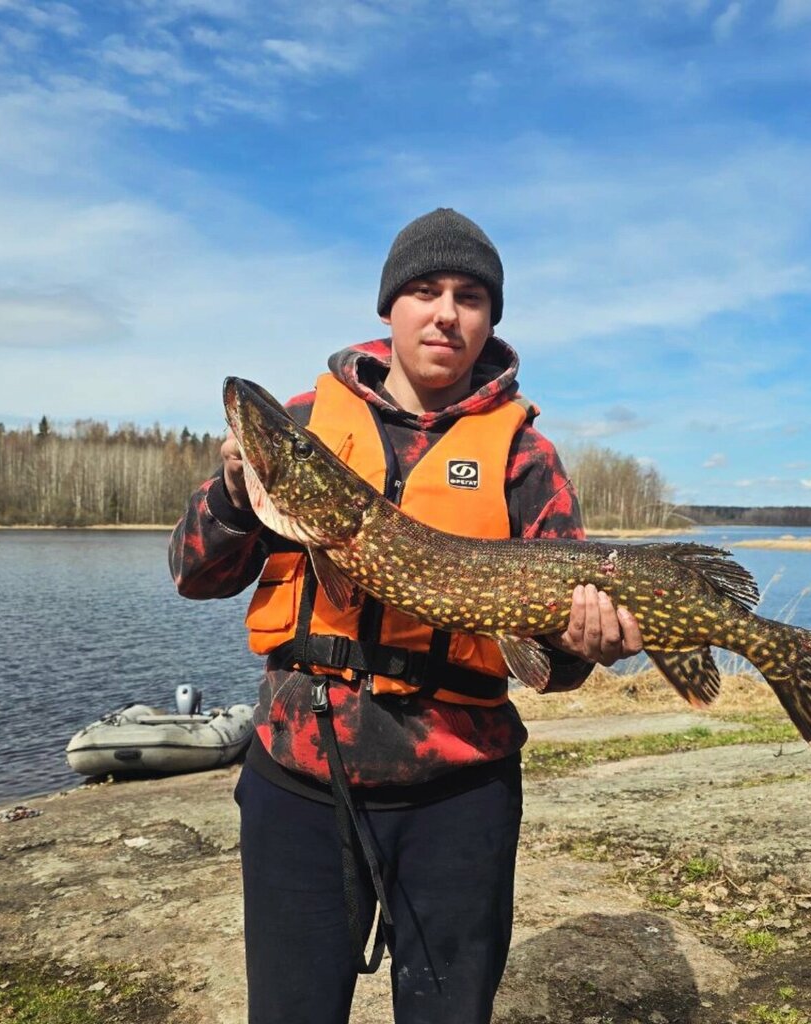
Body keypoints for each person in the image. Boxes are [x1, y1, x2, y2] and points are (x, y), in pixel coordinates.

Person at [168, 208, 643, 1024]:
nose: (445, 313)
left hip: (458, 797)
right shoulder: (306, 428)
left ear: (489, 318)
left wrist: (583, 646)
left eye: (469, 297)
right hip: (299, 788)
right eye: (425, 290)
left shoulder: (525, 456)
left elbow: (551, 666)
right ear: (389, 306)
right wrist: (237, 496)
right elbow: (193, 574)